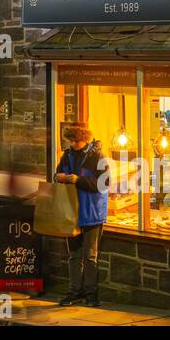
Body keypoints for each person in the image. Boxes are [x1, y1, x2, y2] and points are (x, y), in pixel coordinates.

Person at [55, 123, 108, 306]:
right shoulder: (67, 155)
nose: (72, 144)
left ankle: (91, 294)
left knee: (90, 257)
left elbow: (104, 183)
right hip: (72, 212)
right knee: (74, 256)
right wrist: (58, 177)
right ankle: (74, 292)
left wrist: (79, 180)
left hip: (92, 212)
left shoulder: (98, 156)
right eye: (70, 141)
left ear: (84, 139)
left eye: (75, 141)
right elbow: (57, 172)